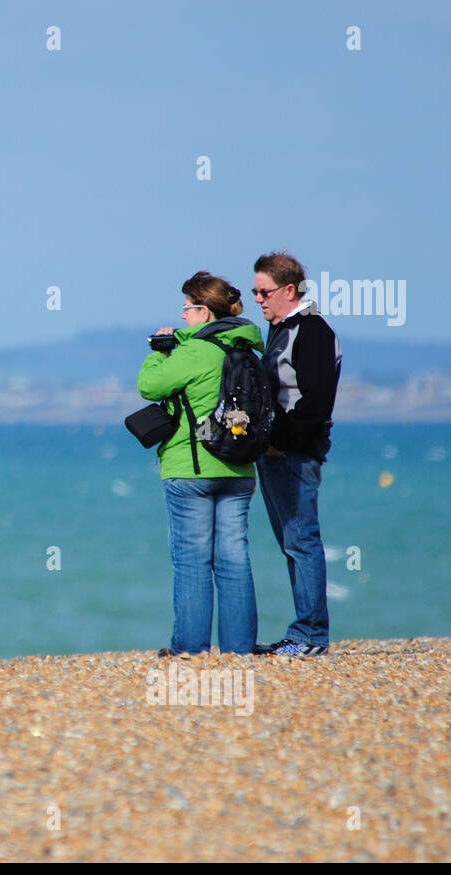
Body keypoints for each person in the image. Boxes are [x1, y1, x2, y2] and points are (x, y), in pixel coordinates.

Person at [137, 271, 264, 656]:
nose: (183, 319)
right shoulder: (245, 351)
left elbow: (150, 386)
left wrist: (158, 352)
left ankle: (190, 649)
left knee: (192, 561)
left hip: (191, 468)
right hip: (239, 469)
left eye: (187, 310)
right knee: (234, 559)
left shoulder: (195, 351)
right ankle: (239, 649)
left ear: (205, 312)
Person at [249, 251, 342, 657]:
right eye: (254, 292)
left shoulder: (313, 332)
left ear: (289, 290)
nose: (258, 299)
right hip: (275, 454)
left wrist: (279, 440)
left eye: (264, 291)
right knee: (291, 542)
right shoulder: (281, 329)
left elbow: (316, 404)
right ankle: (303, 632)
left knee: (302, 541)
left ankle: (311, 636)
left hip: (295, 455)